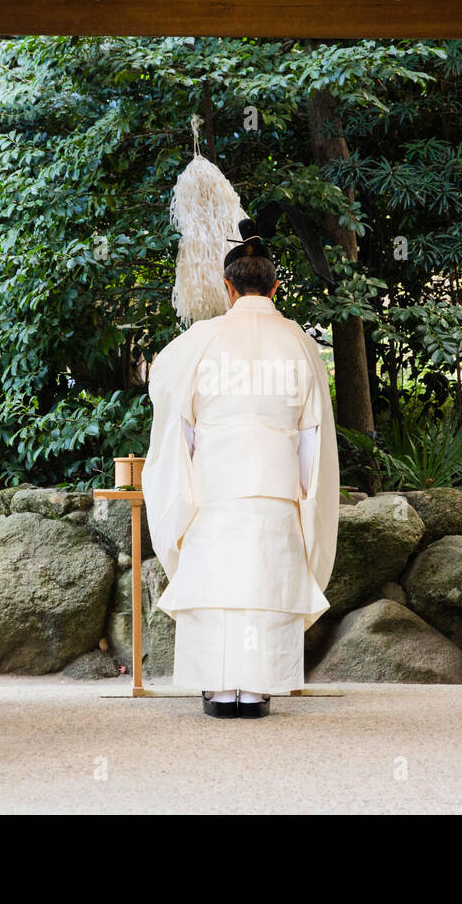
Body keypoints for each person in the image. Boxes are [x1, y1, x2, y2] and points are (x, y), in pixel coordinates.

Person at [143, 218, 339, 718]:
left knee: (218, 582)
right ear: (275, 287)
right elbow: (312, 433)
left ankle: (220, 688)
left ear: (227, 288)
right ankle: (255, 690)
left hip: (214, 486)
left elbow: (175, 414)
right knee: (266, 580)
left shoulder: (201, 340)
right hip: (275, 485)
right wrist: (304, 494)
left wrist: (190, 467)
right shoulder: (299, 342)